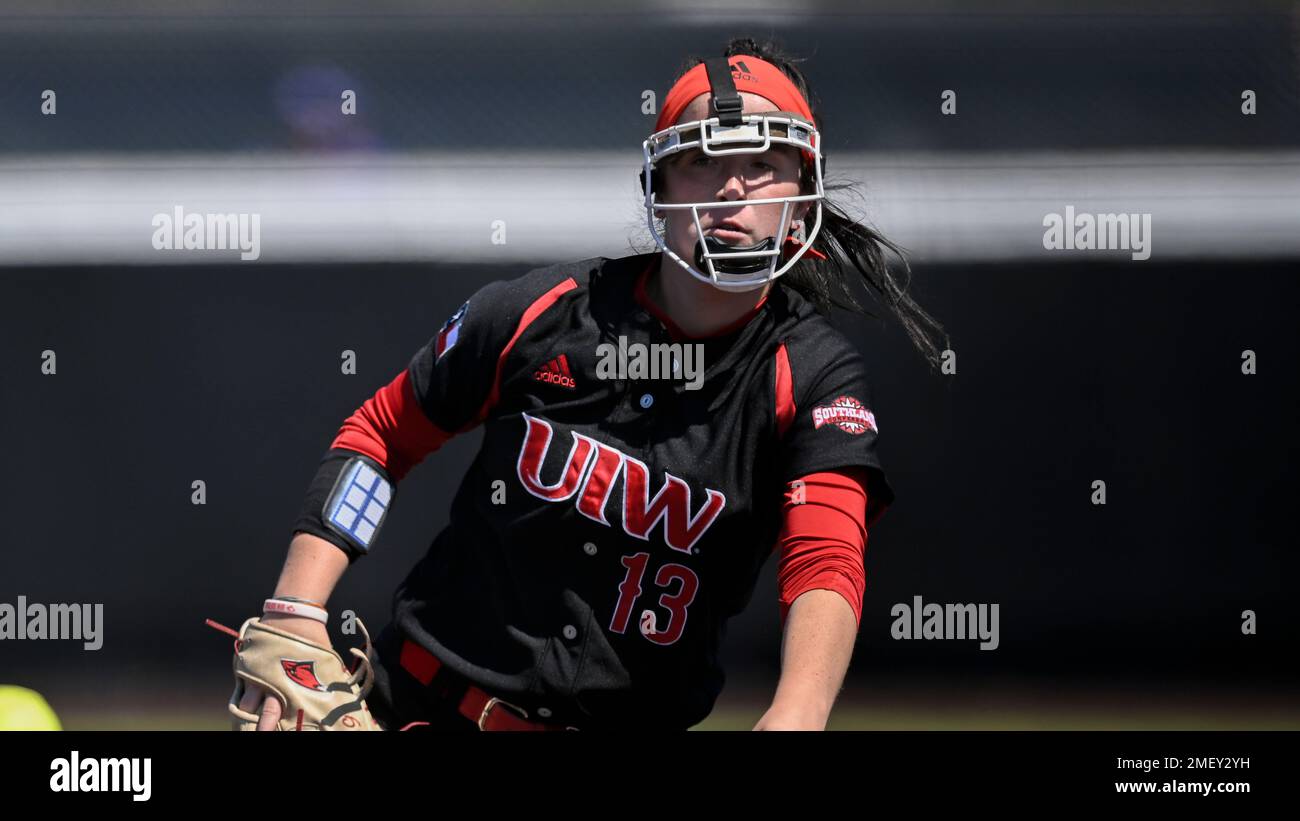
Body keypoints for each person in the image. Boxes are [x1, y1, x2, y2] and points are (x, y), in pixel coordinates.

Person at [230, 36, 947, 732]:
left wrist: (800, 709)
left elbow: (823, 559)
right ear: (655, 187)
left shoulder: (811, 375)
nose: (733, 187)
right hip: (416, 704)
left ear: (803, 188)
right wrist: (297, 607)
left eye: (763, 162)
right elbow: (382, 436)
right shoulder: (542, 314)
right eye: (701, 160)